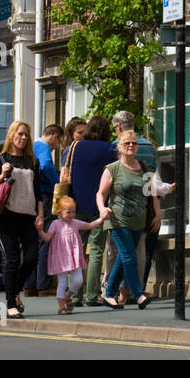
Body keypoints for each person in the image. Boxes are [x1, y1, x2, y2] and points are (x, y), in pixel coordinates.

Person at [0, 120, 43, 319]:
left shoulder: (32, 161)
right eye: (20, 134)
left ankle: (14, 291)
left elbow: (38, 191)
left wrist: (40, 214)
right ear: (11, 135)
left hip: (28, 216)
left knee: (33, 256)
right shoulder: (0, 159)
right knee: (12, 259)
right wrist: (1, 175)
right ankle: (10, 305)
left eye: (26, 135)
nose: (23, 138)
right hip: (7, 216)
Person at [96, 128, 159, 309]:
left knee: (123, 259)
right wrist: (102, 208)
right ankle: (138, 294)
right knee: (129, 256)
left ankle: (108, 294)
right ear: (120, 147)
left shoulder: (144, 168)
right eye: (127, 143)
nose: (131, 145)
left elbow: (152, 193)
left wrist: (158, 213)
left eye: (133, 143)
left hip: (138, 222)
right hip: (117, 220)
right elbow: (100, 193)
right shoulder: (113, 169)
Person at [62, 115, 116, 307]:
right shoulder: (111, 150)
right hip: (99, 207)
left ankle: (74, 296)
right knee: (96, 251)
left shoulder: (75, 147)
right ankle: (92, 295)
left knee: (75, 251)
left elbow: (66, 172)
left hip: (75, 206)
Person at [37, 196, 108, 313]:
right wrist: (40, 230)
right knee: (62, 282)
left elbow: (90, 225)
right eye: (68, 212)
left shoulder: (75, 223)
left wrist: (101, 219)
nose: (71, 215)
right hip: (60, 258)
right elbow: (47, 238)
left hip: (74, 258)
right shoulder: (55, 224)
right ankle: (61, 307)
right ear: (59, 212)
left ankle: (67, 297)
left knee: (79, 280)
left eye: (73, 212)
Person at [23, 124, 62, 296]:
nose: (57, 147)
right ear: (54, 136)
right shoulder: (43, 146)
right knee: (45, 238)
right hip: (44, 196)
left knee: (32, 239)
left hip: (29, 196)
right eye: (58, 142)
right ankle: (43, 285)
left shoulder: (31, 146)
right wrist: (57, 182)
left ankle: (29, 285)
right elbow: (46, 165)